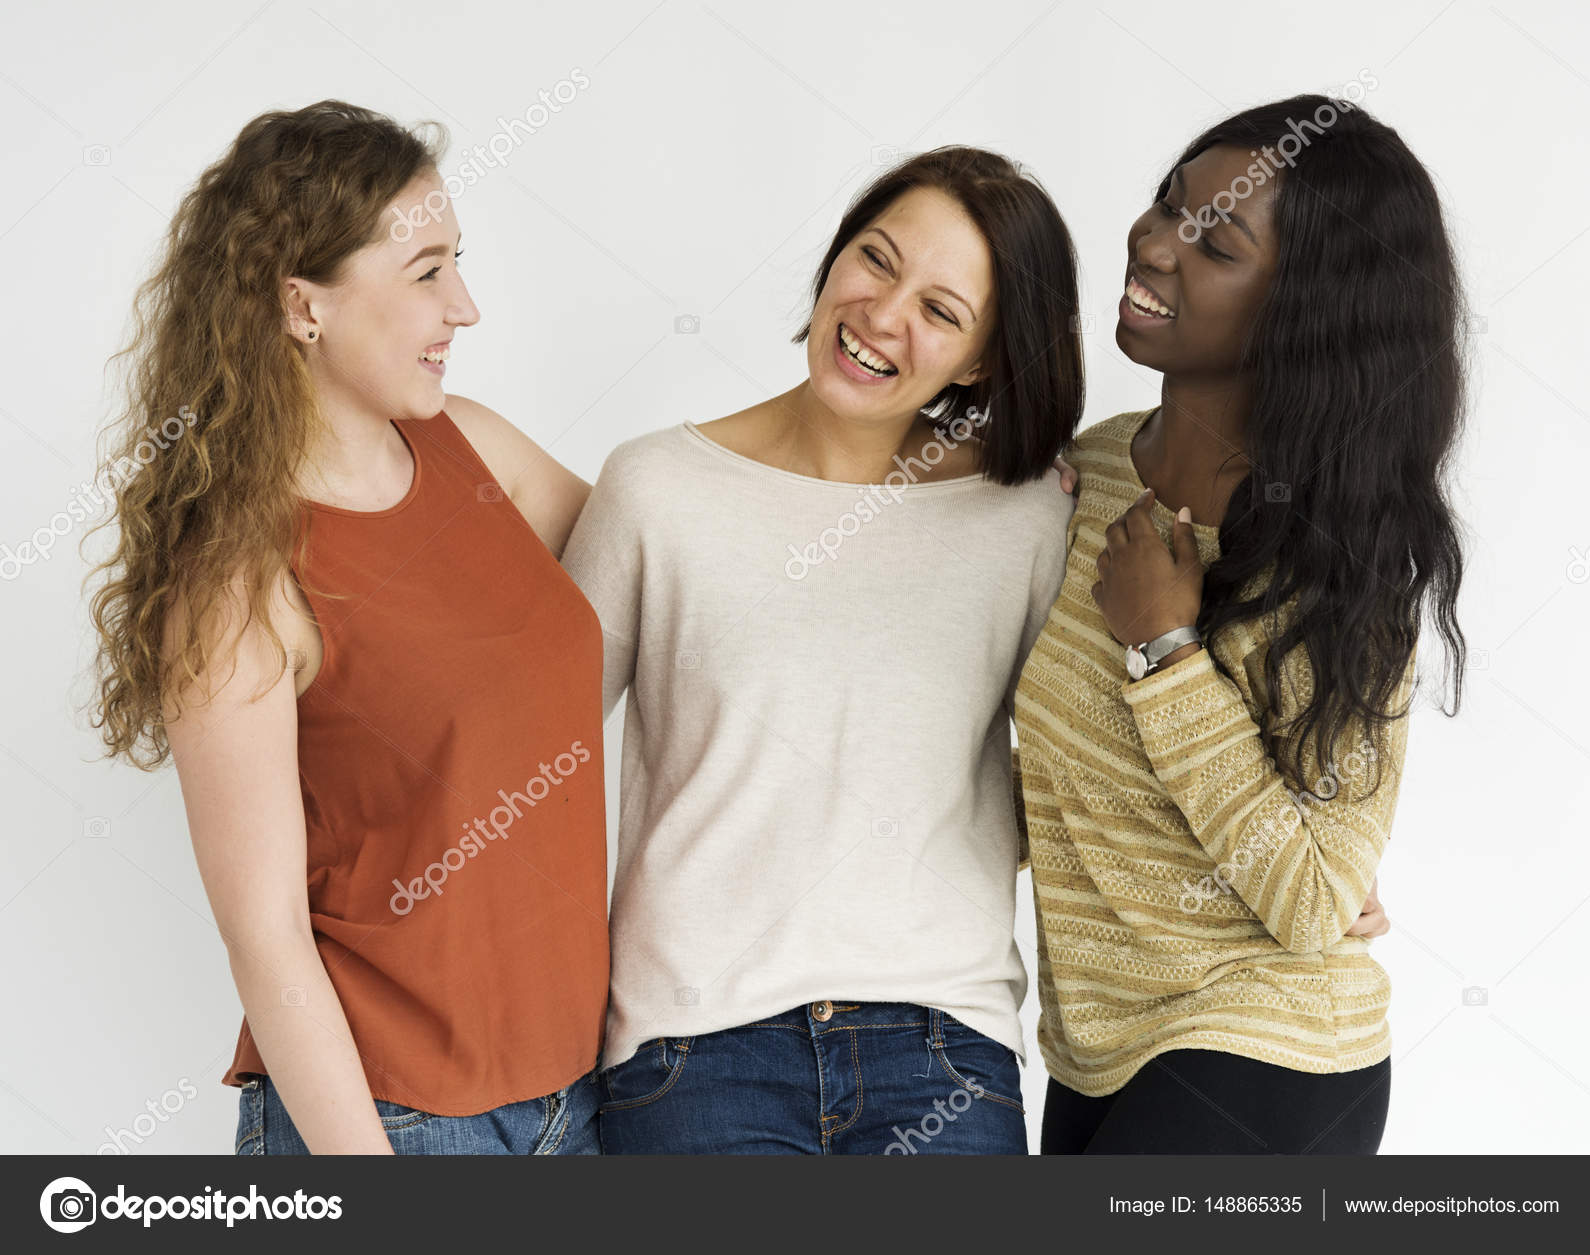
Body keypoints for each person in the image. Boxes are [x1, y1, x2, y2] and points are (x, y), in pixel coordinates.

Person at [85, 100, 609, 1154]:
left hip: (584, 1097)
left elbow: (687, 578)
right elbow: (267, 938)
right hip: (393, 1124)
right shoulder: (239, 583)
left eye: (457, 263)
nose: (463, 306)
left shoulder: (479, 452)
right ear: (301, 306)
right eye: (425, 273)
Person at [561, 147, 1083, 1154]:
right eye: (876, 261)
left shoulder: (1025, 516)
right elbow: (540, 758)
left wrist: (1259, 854)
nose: (884, 315)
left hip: (942, 1043)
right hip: (693, 1048)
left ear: (980, 360)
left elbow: (1096, 754)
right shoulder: (656, 489)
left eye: (941, 309)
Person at [1016, 94, 1465, 1154]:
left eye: (1211, 243)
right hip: (1089, 1054)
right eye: (1166, 207)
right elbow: (1051, 779)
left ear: (1305, 313)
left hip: (1262, 1051)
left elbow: (1312, 901)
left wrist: (1166, 652)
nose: (1152, 246)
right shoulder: (1083, 476)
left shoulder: (1340, 562)